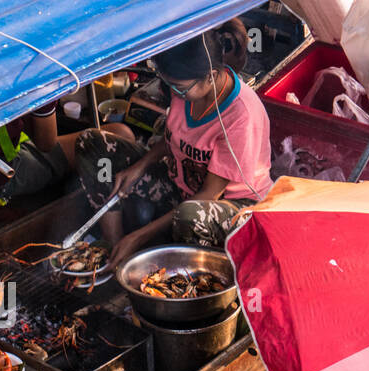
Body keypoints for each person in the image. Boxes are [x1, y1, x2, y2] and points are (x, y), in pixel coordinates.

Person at [73, 22, 274, 259]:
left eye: (177, 88)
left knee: (188, 217)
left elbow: (209, 195)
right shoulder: (185, 88)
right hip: (181, 188)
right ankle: (113, 254)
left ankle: (174, 267)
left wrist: (138, 237)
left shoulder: (241, 117)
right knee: (93, 144)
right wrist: (139, 168)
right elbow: (175, 140)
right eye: (168, 84)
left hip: (231, 207)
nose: (172, 93)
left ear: (210, 77)